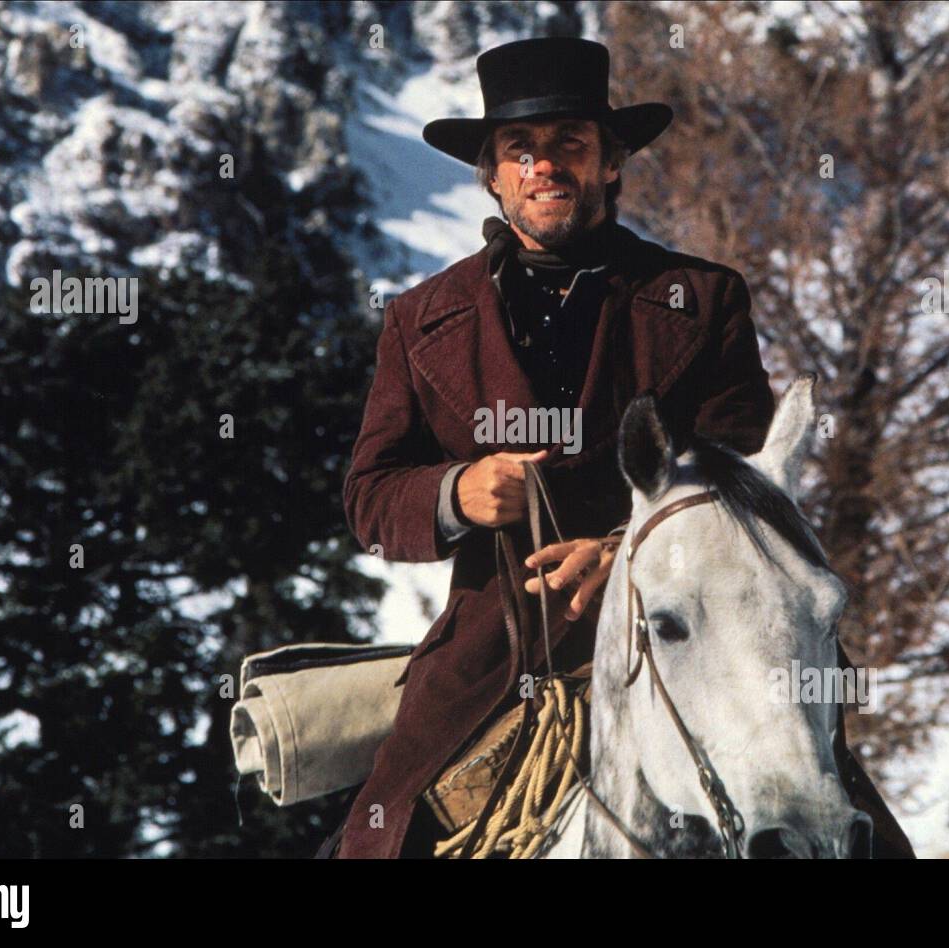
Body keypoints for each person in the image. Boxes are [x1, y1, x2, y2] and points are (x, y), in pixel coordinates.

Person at [335, 36, 913, 858]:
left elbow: (745, 482)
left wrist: (622, 554)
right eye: (520, 149)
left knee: (847, 829)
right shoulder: (420, 318)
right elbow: (368, 495)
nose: (545, 166)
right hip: (495, 650)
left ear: (610, 163)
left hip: (706, 632)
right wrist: (453, 494)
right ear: (493, 175)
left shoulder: (702, 300)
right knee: (377, 837)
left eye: (571, 144)